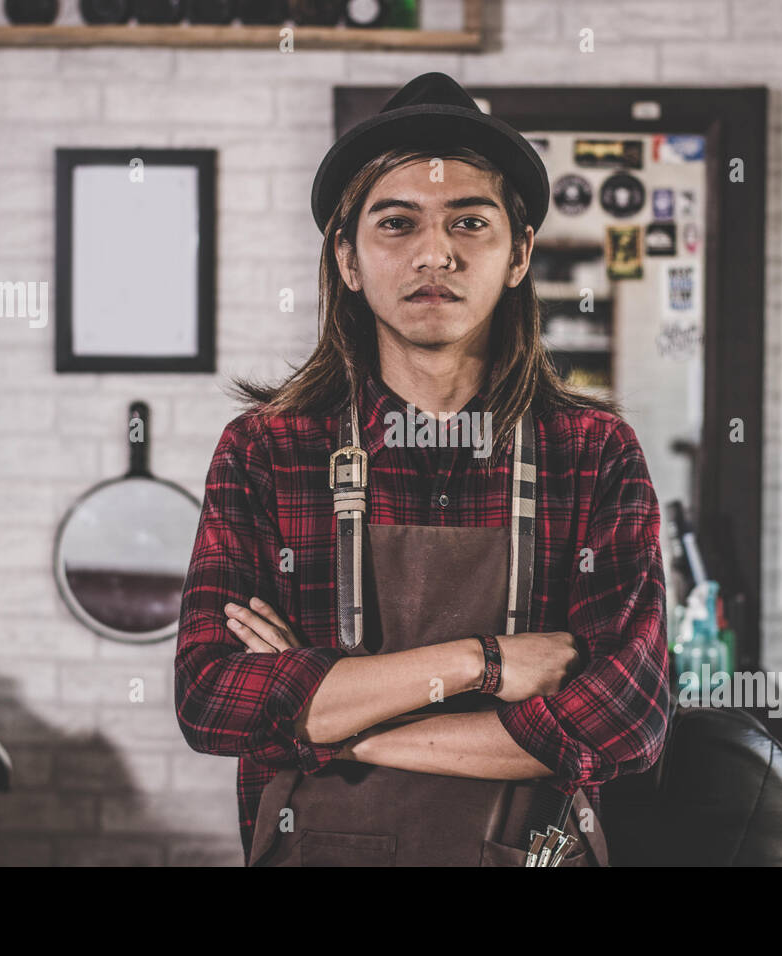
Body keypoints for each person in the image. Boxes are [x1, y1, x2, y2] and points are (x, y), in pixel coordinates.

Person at [174, 72, 671, 867]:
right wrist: (489, 663)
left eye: (469, 222)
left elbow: (624, 722)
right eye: (397, 223)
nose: (435, 252)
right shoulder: (268, 451)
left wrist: (339, 725)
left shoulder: (593, 453)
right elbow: (212, 700)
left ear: (519, 255)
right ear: (348, 257)